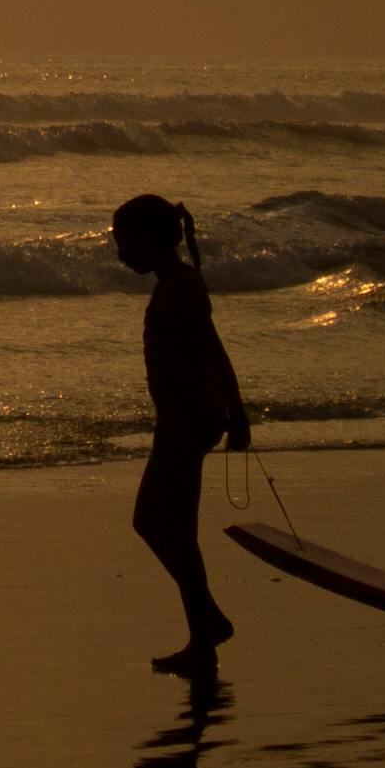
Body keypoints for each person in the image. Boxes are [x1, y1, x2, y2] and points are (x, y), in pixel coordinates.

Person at [112, 190, 249, 670]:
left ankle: (205, 629)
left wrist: (238, 415)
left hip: (189, 422)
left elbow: (214, 351)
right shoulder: (173, 283)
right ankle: (205, 626)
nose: (120, 252)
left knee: (158, 523)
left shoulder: (183, 288)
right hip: (180, 420)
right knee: (161, 525)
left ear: (148, 238)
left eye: (124, 241)